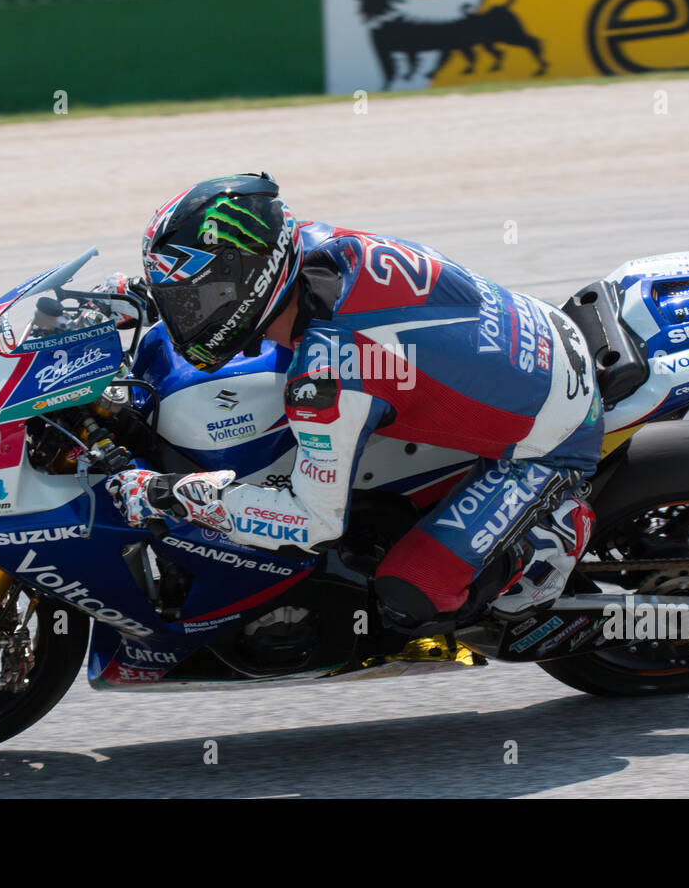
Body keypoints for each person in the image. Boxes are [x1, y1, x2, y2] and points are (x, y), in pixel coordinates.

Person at [104, 173, 603, 635]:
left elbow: (311, 525)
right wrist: (144, 294)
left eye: (191, 301)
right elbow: (233, 270)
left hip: (552, 434)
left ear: (244, 285)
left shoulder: (326, 377)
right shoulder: (315, 243)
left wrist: (170, 494)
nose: (183, 314)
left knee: (411, 596)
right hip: (532, 334)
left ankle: (547, 539)